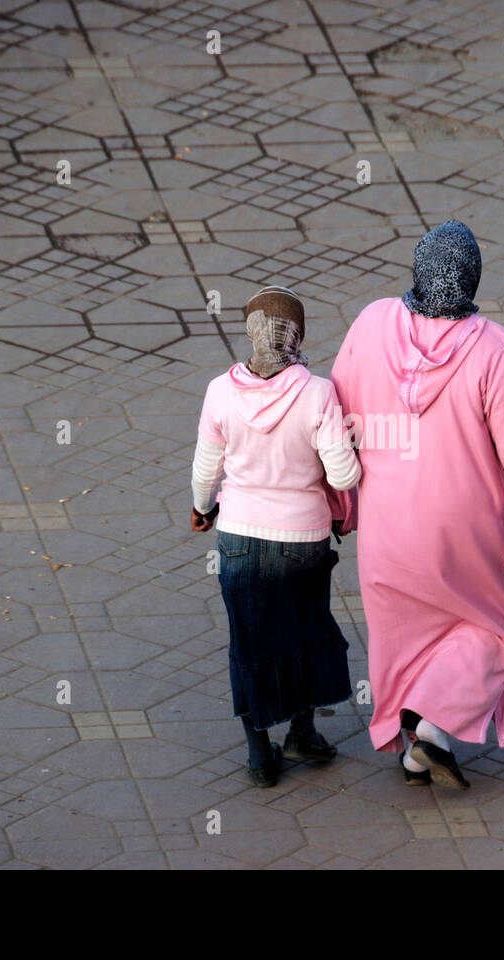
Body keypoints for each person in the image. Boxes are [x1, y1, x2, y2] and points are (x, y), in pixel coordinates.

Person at [329, 220, 504, 789]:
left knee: (406, 637)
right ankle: (433, 733)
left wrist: (337, 507)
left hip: (387, 532)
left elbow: (335, 422)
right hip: (467, 535)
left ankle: (416, 741)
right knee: (493, 634)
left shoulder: (372, 323)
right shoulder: (493, 348)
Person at [190, 285, 361, 788]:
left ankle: (258, 751)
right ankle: (303, 732)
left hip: (239, 537)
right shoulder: (317, 392)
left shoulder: (220, 391)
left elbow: (205, 472)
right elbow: (344, 477)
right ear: (297, 333)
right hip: (303, 541)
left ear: (249, 332)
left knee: (249, 642)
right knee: (305, 633)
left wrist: (203, 510)